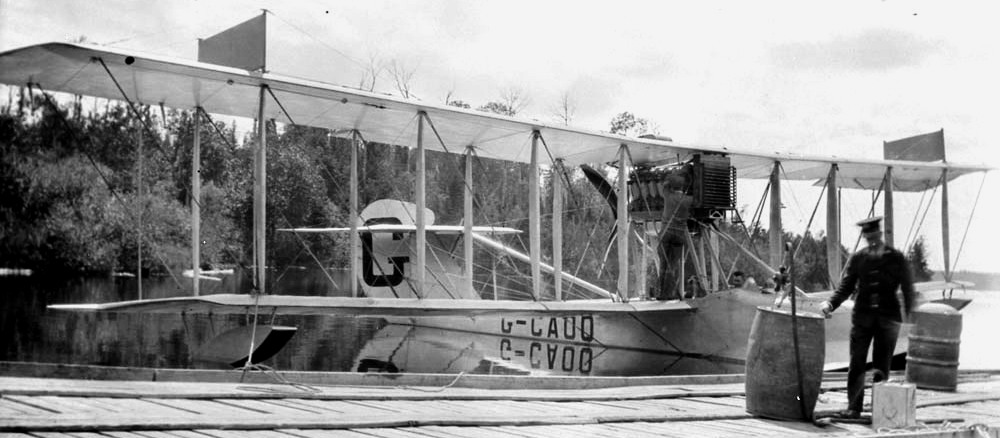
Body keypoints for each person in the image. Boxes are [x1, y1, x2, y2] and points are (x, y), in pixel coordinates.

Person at [820, 216, 916, 419]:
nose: (871, 240)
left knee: (882, 366)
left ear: (880, 235)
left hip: (889, 320)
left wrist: (912, 318)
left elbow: (908, 289)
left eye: (874, 236)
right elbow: (846, 287)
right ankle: (853, 408)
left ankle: (879, 409)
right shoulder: (858, 258)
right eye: (867, 237)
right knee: (857, 363)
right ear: (864, 237)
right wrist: (830, 304)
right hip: (862, 319)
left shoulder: (896, 258)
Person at [655, 175, 692, 300]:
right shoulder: (688, 200)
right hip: (679, 234)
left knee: (663, 265)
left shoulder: (668, 196)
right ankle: (669, 293)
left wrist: (670, 177)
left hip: (666, 233)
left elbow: (664, 185)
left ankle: (662, 293)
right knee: (673, 265)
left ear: (673, 187)